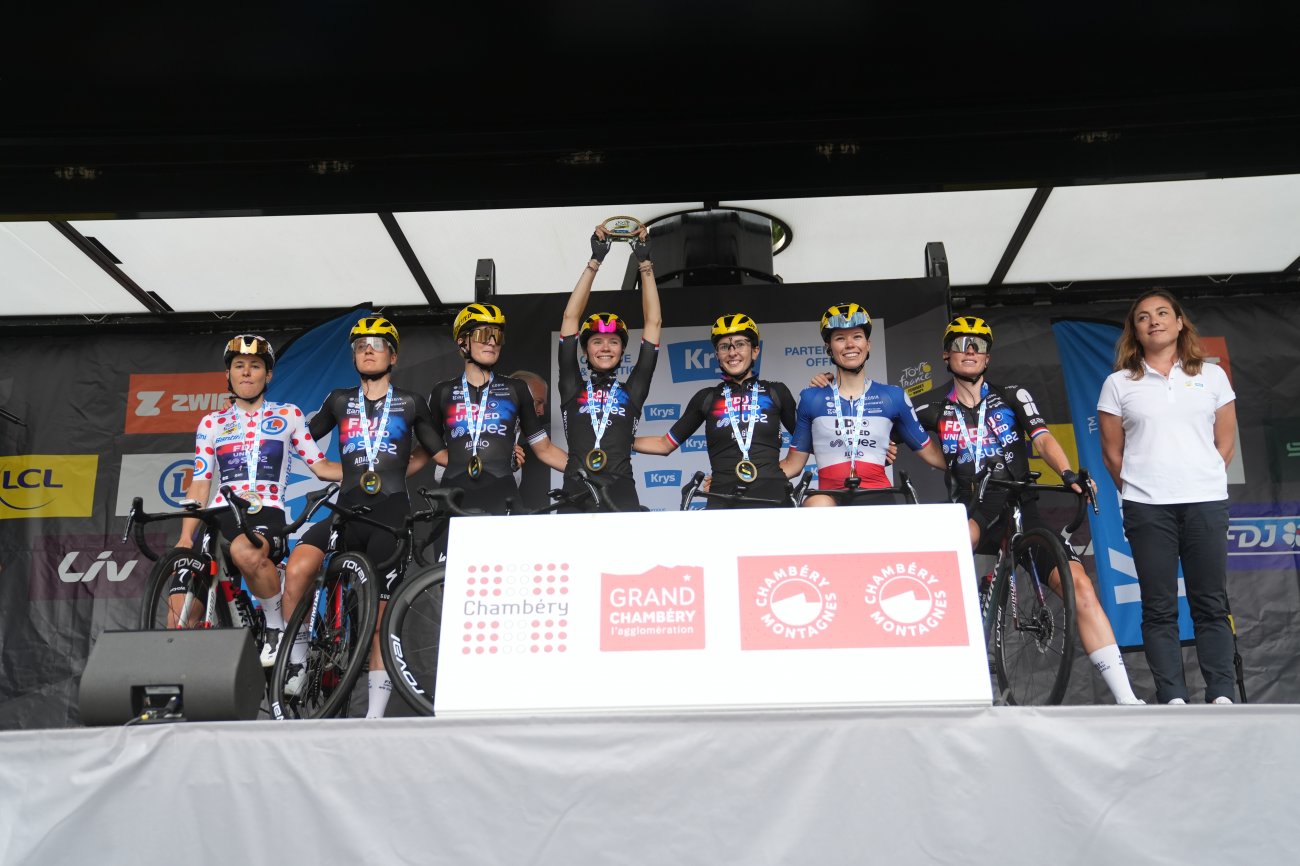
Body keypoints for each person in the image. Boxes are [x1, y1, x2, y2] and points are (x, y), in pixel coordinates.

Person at [914, 316, 1143, 705]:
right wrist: (937, 458)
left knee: (1080, 587)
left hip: (1019, 504)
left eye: (979, 345)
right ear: (946, 355)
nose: (970, 351)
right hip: (970, 508)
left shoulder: (1013, 395)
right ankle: (941, 672)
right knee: (936, 582)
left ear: (987, 358)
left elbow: (1041, 439)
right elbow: (888, 426)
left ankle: (1127, 699)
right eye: (961, 343)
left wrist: (1068, 471)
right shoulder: (929, 404)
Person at [281, 316, 445, 718]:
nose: (368, 349)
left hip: (389, 514)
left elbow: (439, 453)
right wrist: (322, 468)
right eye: (360, 345)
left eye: (377, 343)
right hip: (346, 509)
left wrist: (402, 469)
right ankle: (298, 659)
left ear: (393, 353)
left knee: (378, 620)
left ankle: (374, 716)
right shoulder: (339, 400)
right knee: (299, 567)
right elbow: (297, 435)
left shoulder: (410, 403)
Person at [1098, 291, 1238, 705]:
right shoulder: (1118, 383)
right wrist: (1143, 488)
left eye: (1162, 313)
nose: (1154, 321)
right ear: (1135, 331)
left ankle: (1221, 694)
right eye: (1143, 317)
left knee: (1211, 602)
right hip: (1147, 508)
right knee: (1158, 607)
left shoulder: (1212, 377)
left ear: (1180, 323)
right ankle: (1173, 697)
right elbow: (1112, 454)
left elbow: (1225, 444)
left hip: (1205, 503)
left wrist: (1202, 479)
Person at [178, 335, 341, 651]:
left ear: (268, 375)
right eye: (239, 366)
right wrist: (186, 537)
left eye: (255, 366)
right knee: (179, 614)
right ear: (229, 375)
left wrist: (369, 472)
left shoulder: (288, 414)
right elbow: (200, 481)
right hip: (219, 513)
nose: (247, 372)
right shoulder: (212, 422)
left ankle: (276, 628)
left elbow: (321, 467)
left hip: (264, 510)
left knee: (246, 553)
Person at [780, 302, 946, 505]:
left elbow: (930, 453)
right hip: (830, 497)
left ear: (868, 345)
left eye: (857, 337)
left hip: (878, 494)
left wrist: (971, 467)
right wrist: (749, 477)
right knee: (816, 505)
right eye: (840, 338)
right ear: (829, 348)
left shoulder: (892, 396)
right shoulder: (811, 398)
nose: (850, 345)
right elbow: (793, 464)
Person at [634, 314, 797, 508]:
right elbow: (664, 444)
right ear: (717, 355)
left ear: (755, 351)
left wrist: (777, 470)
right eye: (724, 347)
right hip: (723, 493)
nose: (732, 352)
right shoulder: (707, 398)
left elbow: (809, 441)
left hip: (773, 492)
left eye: (740, 344)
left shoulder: (776, 392)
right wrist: (619, 440)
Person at [556, 226, 662, 511]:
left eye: (613, 341)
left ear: (622, 349)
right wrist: (595, 260)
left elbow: (653, 323)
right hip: (575, 490)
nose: (605, 347)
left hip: (621, 490)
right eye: (597, 341)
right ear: (585, 348)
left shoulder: (633, 392)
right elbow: (570, 317)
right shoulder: (571, 387)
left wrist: (645, 264)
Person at [428, 306, 568, 515]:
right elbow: (426, 450)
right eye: (484, 334)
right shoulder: (443, 391)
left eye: (497, 336)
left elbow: (545, 449)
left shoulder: (517, 389)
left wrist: (590, 472)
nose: (492, 342)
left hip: (502, 493)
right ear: (462, 340)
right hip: (454, 496)